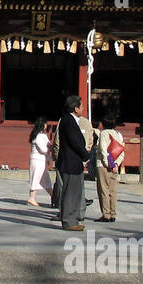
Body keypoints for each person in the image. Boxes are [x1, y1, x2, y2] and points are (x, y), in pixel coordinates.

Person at [56, 95, 89, 229]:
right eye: (81, 106)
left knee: (75, 192)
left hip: (74, 163)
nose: (83, 109)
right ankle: (69, 220)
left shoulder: (70, 120)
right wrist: (86, 155)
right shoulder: (68, 121)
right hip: (70, 162)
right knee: (70, 193)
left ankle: (73, 219)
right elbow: (75, 142)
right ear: (75, 108)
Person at [95, 114, 124, 224]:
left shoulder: (103, 133)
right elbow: (121, 150)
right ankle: (113, 213)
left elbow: (103, 149)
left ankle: (106, 214)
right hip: (115, 166)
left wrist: (108, 163)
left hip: (103, 165)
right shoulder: (118, 134)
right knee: (113, 190)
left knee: (103, 189)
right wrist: (116, 164)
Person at [26, 116, 52, 206]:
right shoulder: (38, 136)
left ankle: (53, 196)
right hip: (37, 159)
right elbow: (43, 149)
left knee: (45, 179)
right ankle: (31, 197)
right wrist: (49, 148)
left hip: (40, 160)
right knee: (35, 178)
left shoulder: (41, 135)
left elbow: (48, 144)